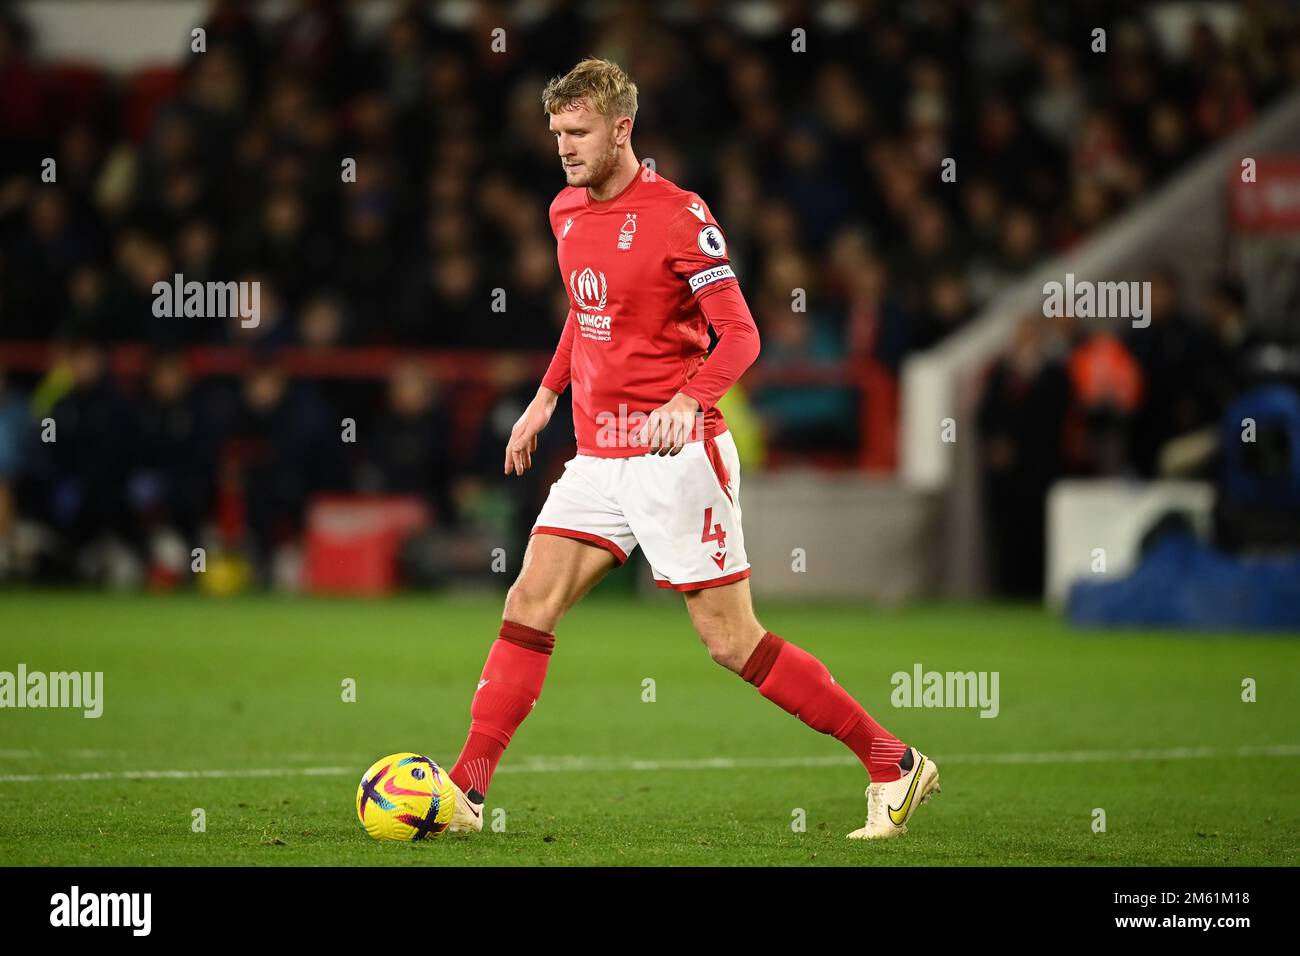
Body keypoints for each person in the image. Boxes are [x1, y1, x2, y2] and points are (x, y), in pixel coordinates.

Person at [438, 58, 939, 840]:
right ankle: (466, 794)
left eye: (578, 132)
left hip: (677, 458)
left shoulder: (679, 215)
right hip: (598, 458)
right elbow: (583, 312)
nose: (564, 147)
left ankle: (893, 763)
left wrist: (688, 399)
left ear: (621, 130)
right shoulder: (565, 211)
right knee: (527, 603)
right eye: (556, 133)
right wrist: (543, 400)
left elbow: (742, 333)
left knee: (731, 643)